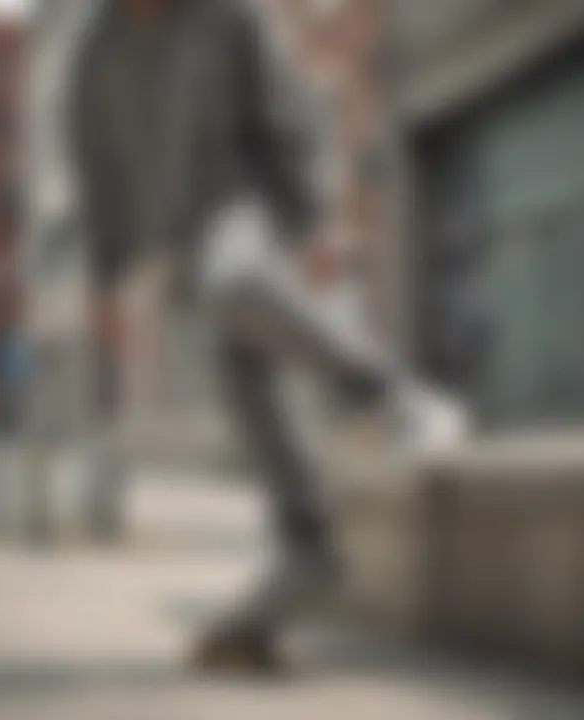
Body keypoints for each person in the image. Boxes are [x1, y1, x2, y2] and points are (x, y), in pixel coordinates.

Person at [71, 0, 469, 672]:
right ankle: (307, 552)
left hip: (245, 202)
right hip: (180, 240)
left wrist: (312, 223)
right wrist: (104, 280)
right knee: (244, 383)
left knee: (237, 284)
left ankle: (389, 391)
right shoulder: (93, 55)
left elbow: (285, 118)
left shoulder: (227, 21)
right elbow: (97, 174)